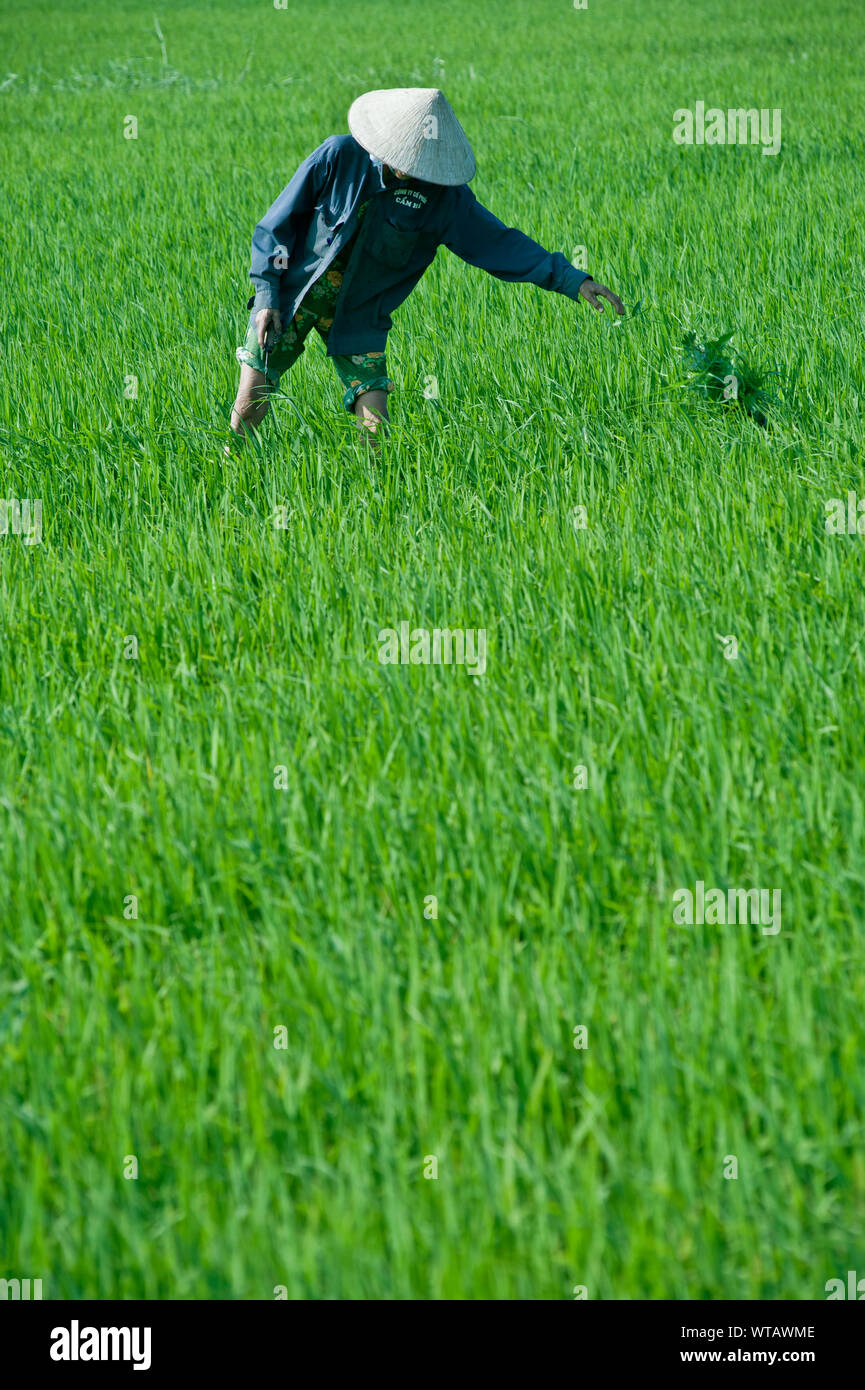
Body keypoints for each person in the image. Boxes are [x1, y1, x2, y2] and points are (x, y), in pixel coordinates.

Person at [230, 87, 624, 451]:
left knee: (375, 426)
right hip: (291, 297)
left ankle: (371, 496)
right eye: (404, 154)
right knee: (250, 400)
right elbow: (276, 226)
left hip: (359, 314)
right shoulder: (338, 157)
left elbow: (499, 244)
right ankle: (231, 467)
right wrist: (266, 294)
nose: (410, 167)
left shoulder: (443, 200)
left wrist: (574, 280)